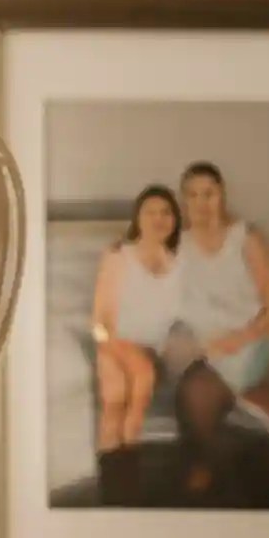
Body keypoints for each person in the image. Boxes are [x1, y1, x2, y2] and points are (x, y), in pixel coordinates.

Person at [90, 185, 183, 504]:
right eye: (150, 212)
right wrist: (109, 344)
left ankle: (119, 490)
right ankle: (118, 488)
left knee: (128, 388)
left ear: (174, 219)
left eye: (166, 212)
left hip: (148, 349)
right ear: (138, 218)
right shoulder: (119, 255)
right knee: (120, 394)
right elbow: (99, 318)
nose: (159, 219)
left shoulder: (179, 265)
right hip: (111, 341)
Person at [178, 161, 269, 393]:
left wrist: (236, 341)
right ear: (184, 201)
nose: (201, 203)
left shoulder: (246, 238)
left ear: (222, 195)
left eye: (209, 194)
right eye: (193, 195)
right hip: (202, 347)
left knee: (199, 390)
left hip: (248, 344)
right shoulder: (178, 246)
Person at [157, 360, 269, 509]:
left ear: (226, 396)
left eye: (207, 386)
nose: (203, 394)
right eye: (198, 388)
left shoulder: (256, 443)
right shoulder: (165, 454)